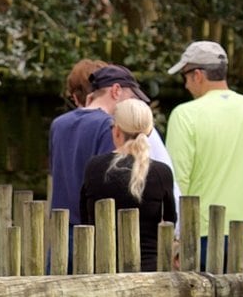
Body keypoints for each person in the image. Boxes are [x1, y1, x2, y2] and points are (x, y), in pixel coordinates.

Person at [166, 40, 243, 238]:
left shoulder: (184, 114)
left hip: (201, 230)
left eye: (184, 76)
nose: (185, 84)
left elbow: (178, 177)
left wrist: (178, 233)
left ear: (197, 75)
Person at [49, 65, 172, 224]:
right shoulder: (111, 127)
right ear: (116, 90)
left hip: (61, 229)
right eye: (132, 98)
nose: (133, 105)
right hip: (95, 233)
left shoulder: (59, 124)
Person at [79, 98, 175, 269]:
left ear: (116, 131)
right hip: (150, 269)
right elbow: (170, 221)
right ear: (149, 131)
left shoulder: (94, 167)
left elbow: (85, 218)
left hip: (103, 267)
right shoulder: (162, 172)